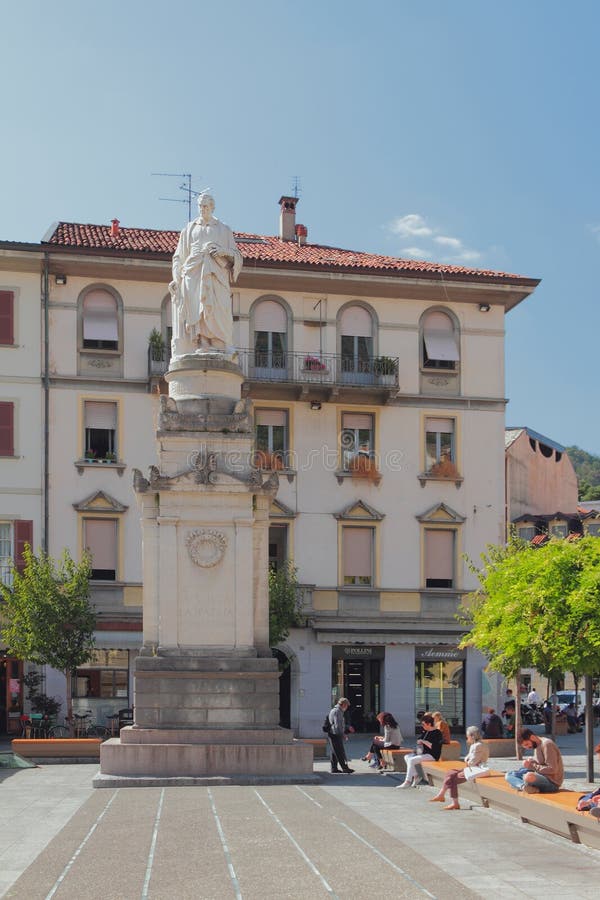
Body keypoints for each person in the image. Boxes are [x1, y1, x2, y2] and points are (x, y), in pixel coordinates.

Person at [169, 193, 243, 357]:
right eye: (200, 206)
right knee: (198, 309)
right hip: (193, 273)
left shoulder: (223, 229)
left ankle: (220, 341)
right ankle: (202, 342)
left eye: (206, 206)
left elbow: (237, 256)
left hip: (217, 274)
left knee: (220, 307)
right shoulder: (189, 229)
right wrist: (176, 279)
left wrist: (223, 251)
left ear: (212, 207)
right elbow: (178, 257)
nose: (202, 209)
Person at [429, 725, 490, 810]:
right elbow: (470, 759)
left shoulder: (477, 746)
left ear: (472, 736)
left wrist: (466, 760)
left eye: (467, 736)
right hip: (474, 768)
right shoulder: (479, 744)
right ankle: (442, 795)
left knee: (452, 779)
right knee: (450, 772)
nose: (466, 738)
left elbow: (472, 762)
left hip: (476, 769)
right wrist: (467, 759)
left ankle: (453, 802)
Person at [505, 728, 564, 794]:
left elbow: (552, 769)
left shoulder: (547, 744)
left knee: (528, 776)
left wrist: (532, 766)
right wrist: (531, 761)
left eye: (527, 744)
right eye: (525, 746)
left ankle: (520, 785)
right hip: (539, 775)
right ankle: (524, 787)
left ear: (532, 737)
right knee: (509, 775)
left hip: (551, 782)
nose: (527, 747)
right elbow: (539, 763)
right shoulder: (536, 745)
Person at [396, 714, 443, 789]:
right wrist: (419, 741)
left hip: (432, 755)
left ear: (429, 724)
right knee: (407, 757)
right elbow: (419, 739)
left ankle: (407, 781)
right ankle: (416, 775)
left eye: (423, 724)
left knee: (411, 760)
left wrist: (423, 741)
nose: (422, 726)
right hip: (423, 753)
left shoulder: (437, 733)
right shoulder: (426, 732)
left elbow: (434, 746)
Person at [327, 697, 354, 774]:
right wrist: (343, 734)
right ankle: (345, 768)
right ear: (343, 704)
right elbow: (337, 725)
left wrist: (347, 727)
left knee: (334, 751)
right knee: (339, 752)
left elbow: (339, 724)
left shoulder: (335, 710)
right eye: (347, 706)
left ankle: (334, 768)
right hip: (335, 734)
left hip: (333, 733)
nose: (347, 707)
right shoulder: (338, 711)